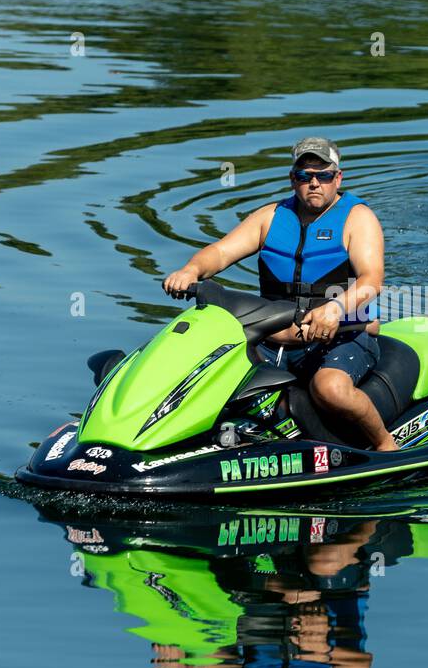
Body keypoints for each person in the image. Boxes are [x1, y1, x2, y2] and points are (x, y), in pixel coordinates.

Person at [163, 137, 397, 451]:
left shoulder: (358, 218)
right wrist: (191, 270)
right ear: (293, 179)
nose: (314, 183)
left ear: (337, 178)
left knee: (330, 389)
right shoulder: (270, 217)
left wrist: (336, 309)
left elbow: (372, 279)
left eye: (323, 175)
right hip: (277, 340)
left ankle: (385, 445)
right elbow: (219, 253)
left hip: (344, 333)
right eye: (305, 176)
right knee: (210, 379)